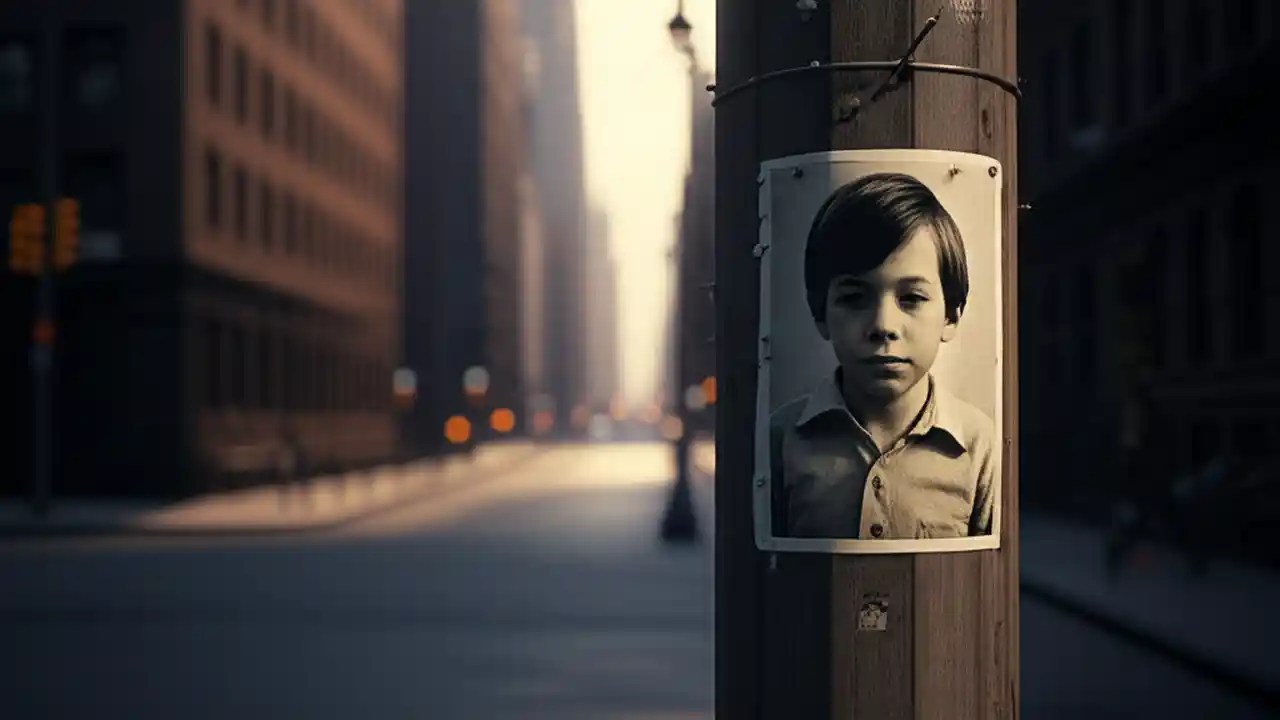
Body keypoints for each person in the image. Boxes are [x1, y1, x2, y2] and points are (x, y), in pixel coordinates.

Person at [769, 172, 996, 540]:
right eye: (855, 298)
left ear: (951, 315)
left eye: (911, 298)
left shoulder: (981, 444)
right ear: (821, 313)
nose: (883, 325)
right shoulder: (779, 439)